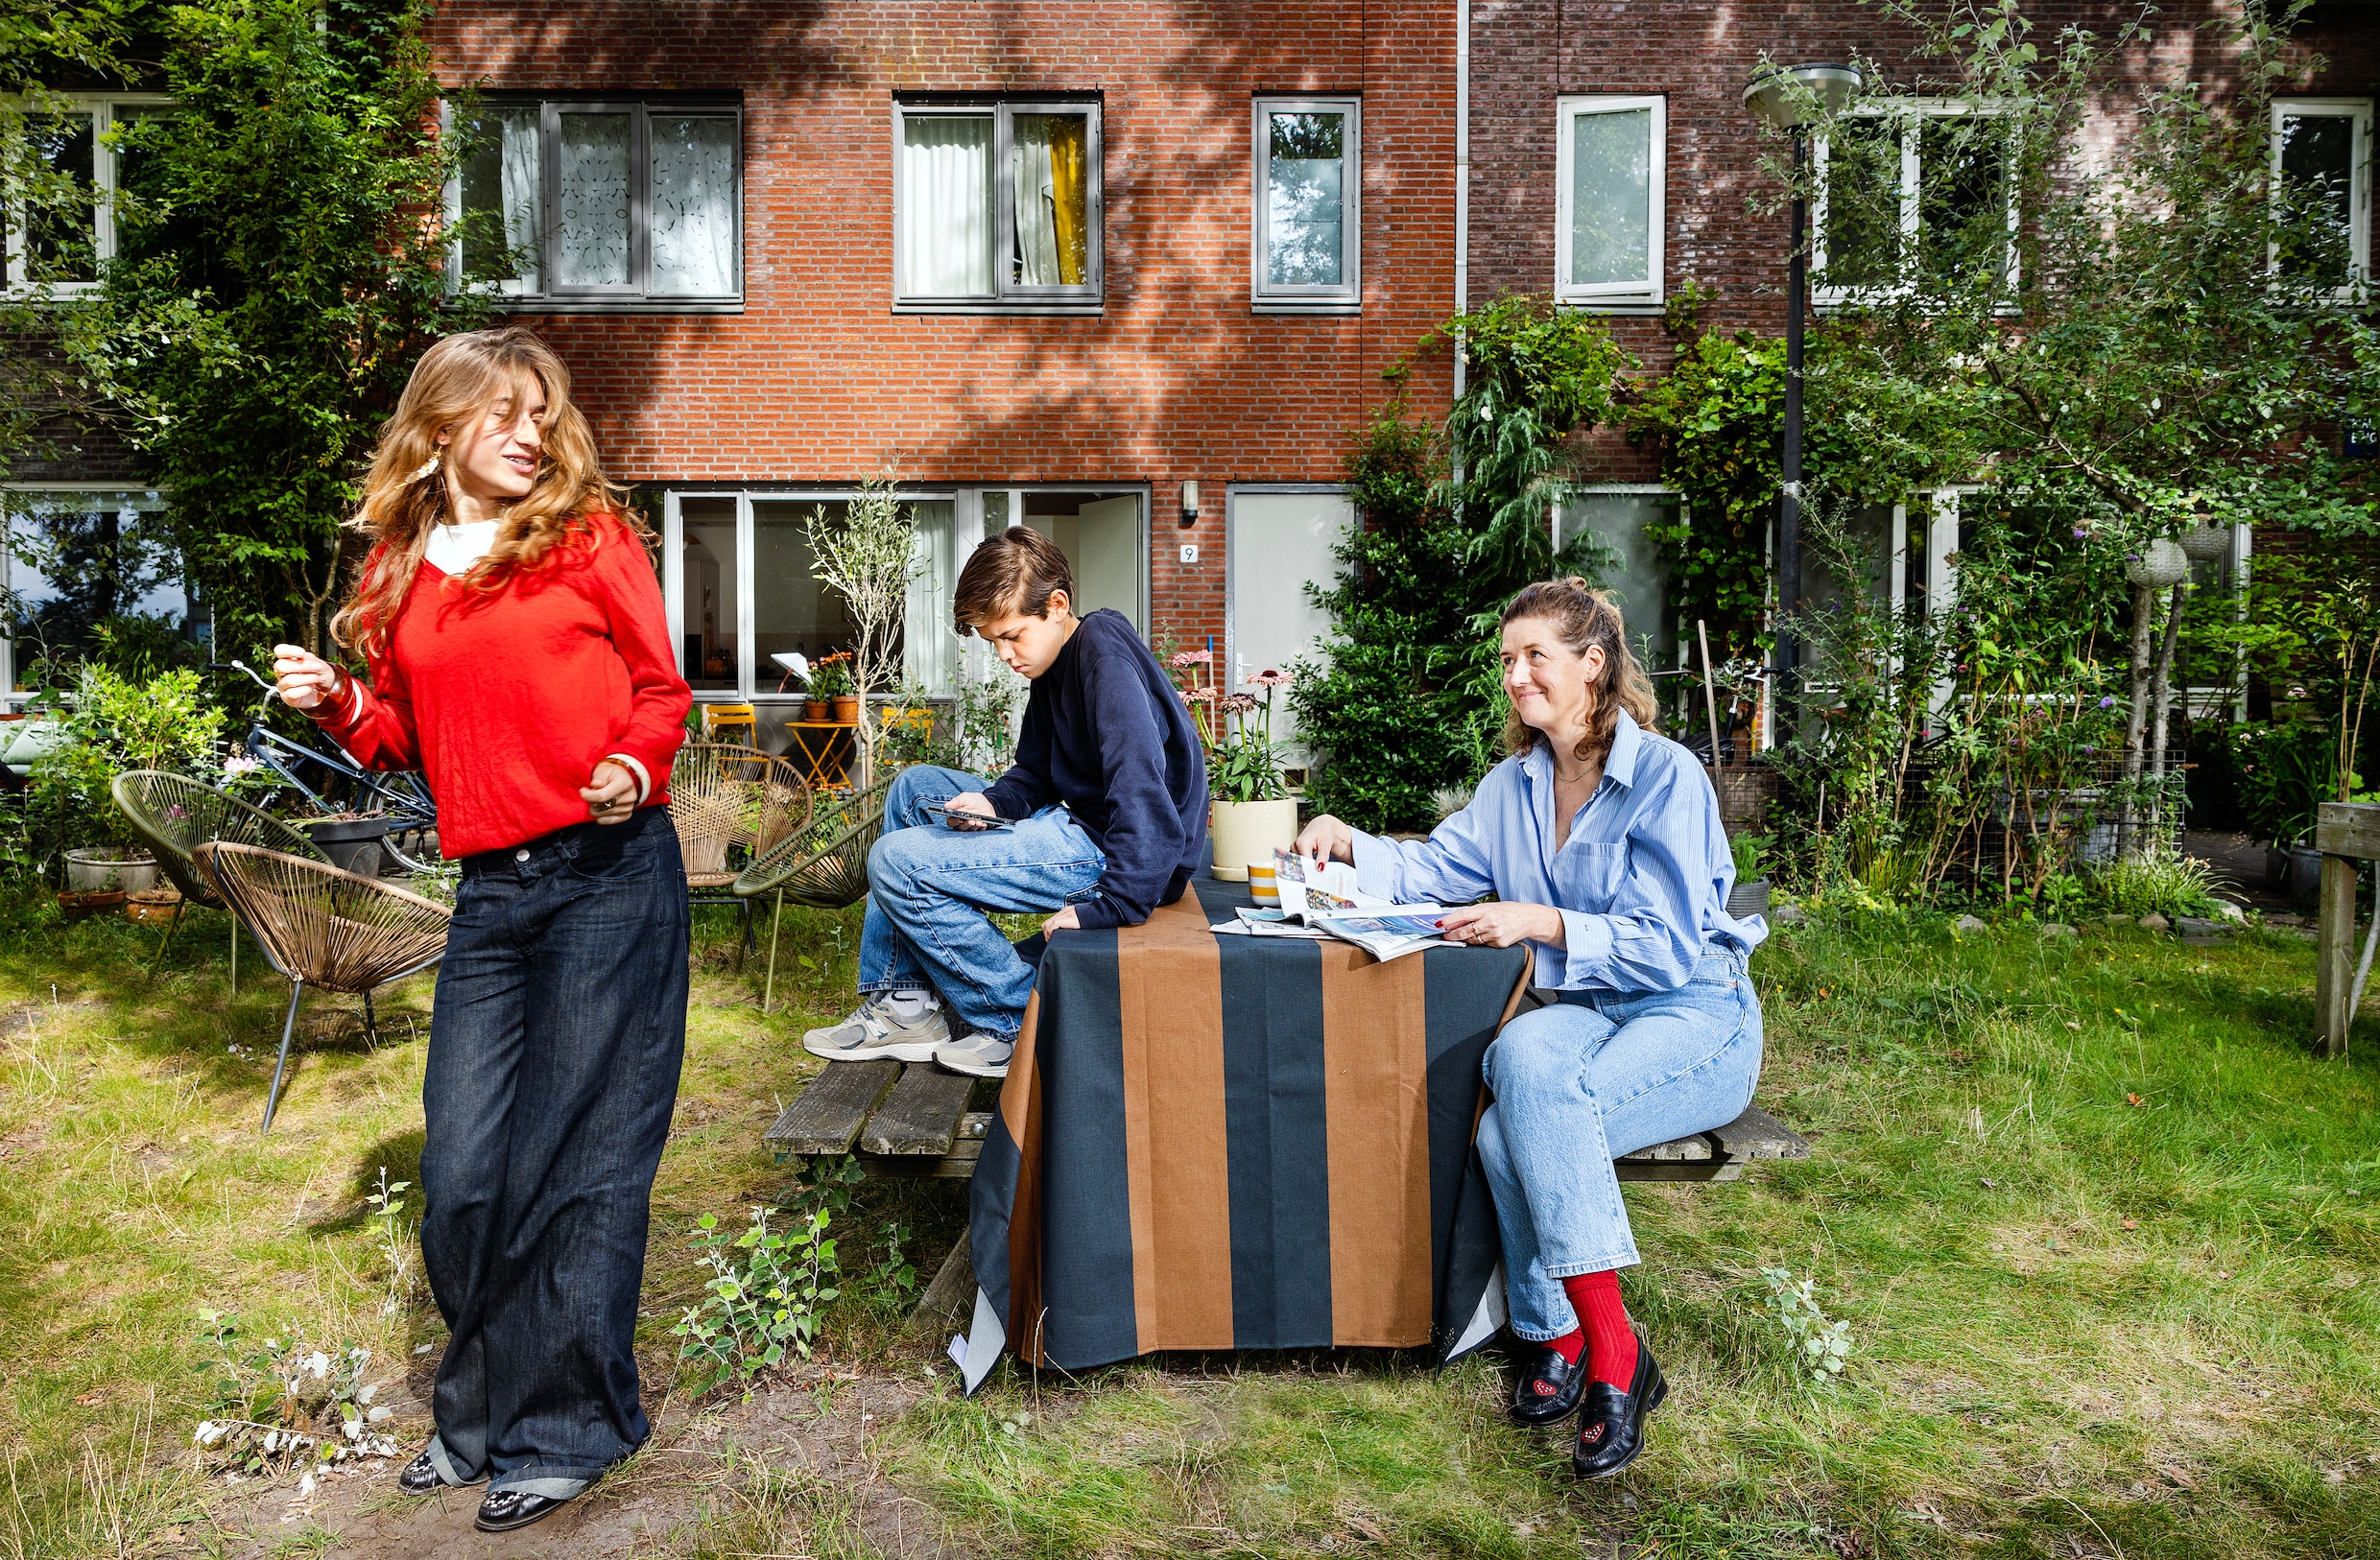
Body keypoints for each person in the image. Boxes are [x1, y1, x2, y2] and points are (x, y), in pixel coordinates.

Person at [272, 326, 692, 1534]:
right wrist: (345, 702)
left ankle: (565, 1428)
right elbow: (410, 732)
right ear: (441, 424)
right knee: (459, 1173)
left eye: (542, 416)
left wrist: (628, 762)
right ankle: (486, 1407)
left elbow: (663, 692)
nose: (530, 434)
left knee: (579, 1161)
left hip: (610, 874)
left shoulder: (589, 542)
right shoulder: (394, 572)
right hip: (494, 896)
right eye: (503, 412)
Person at [1292, 578, 1762, 1479]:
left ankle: (1592, 1347)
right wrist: (1353, 841)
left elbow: (1665, 950)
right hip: (1585, 1010)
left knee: (1515, 1129)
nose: (1514, 675)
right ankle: (1590, 1338)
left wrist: (1536, 921)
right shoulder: (1515, 784)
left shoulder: (1667, 776)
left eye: (1533, 656)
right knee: (1516, 1060)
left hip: (1694, 1010)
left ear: (1594, 665)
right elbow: (1439, 864)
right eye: (1506, 660)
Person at [803, 526, 1206, 1078]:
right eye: (993, 641)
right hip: (1078, 825)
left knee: (896, 861)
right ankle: (907, 1007)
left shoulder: (1104, 656)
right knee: (915, 788)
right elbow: (1036, 771)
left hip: (1120, 856)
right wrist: (995, 803)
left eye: (1012, 635)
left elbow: (1141, 789)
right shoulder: (1054, 663)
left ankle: (1018, 1020)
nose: (1004, 655)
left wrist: (1114, 905)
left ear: (1057, 606)